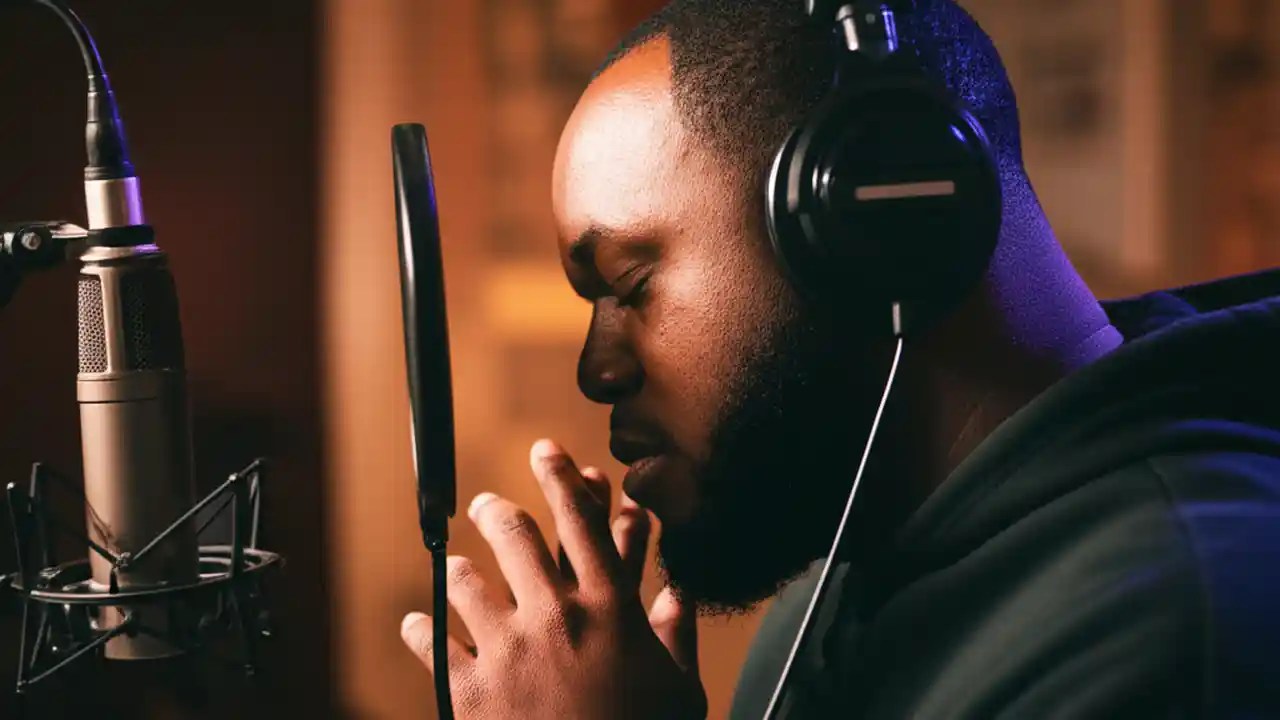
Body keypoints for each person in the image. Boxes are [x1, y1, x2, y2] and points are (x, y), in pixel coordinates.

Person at [399, 0, 1280, 717]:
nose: (597, 371)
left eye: (631, 283)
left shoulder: (1178, 626)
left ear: (872, 225)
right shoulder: (837, 591)